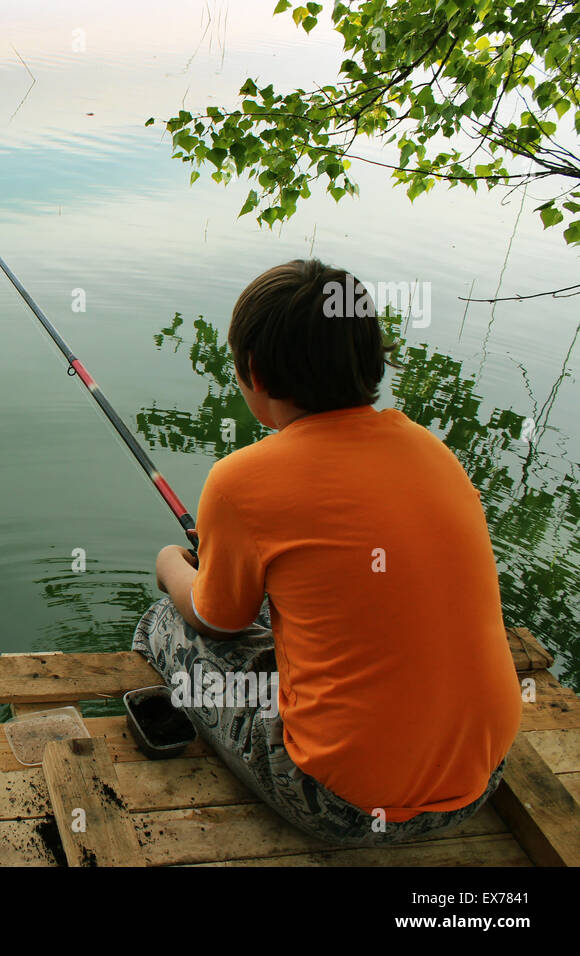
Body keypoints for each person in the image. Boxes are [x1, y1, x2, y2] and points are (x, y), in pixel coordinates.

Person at [137, 258, 521, 846]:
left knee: (167, 623)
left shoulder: (241, 479)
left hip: (342, 804)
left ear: (253, 371)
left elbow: (217, 620)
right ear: (371, 358)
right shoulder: (434, 453)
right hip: (481, 778)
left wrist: (171, 566)